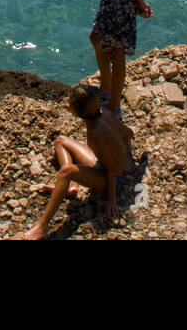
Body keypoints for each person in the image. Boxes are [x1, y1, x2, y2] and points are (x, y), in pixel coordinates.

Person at [20, 85, 132, 239]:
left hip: (110, 177)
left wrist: (111, 198)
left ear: (76, 111)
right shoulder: (105, 113)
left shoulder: (95, 135)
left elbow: (111, 168)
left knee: (67, 171)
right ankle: (71, 186)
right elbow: (128, 133)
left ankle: (42, 226)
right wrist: (123, 153)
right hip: (105, 165)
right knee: (61, 141)